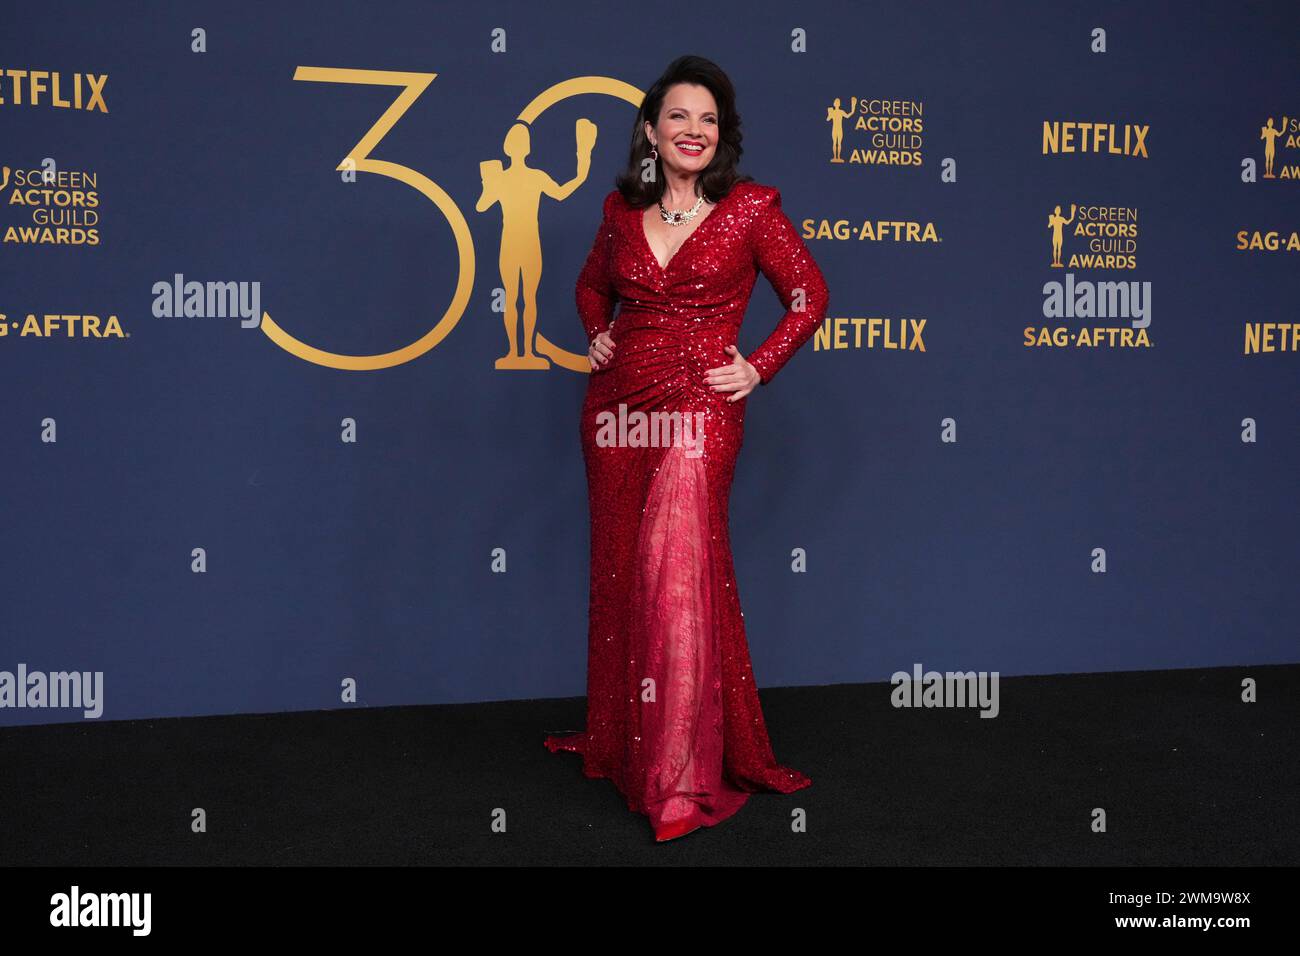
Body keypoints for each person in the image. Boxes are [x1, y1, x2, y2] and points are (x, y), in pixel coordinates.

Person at [544, 55, 828, 843]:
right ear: (650, 129)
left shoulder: (751, 210)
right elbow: (589, 286)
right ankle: (623, 744)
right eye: (679, 117)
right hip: (615, 413)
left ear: (722, 133)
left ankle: (677, 775)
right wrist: (597, 336)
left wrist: (758, 365)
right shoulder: (617, 213)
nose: (693, 130)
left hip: (703, 408)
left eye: (708, 119)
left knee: (676, 570)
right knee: (624, 568)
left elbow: (810, 295)